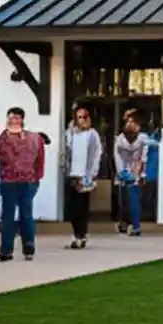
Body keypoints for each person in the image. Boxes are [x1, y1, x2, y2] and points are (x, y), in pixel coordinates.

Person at [0, 107, 45, 262]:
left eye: (16, 118)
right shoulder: (3, 138)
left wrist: (37, 178)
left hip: (27, 180)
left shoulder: (34, 138)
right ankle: (7, 250)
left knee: (25, 214)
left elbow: (40, 159)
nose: (13, 121)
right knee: (9, 216)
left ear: (22, 120)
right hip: (9, 181)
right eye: (10, 118)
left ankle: (28, 248)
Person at [63, 104, 102, 250]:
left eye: (84, 117)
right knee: (72, 208)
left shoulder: (93, 134)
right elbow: (66, 151)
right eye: (79, 117)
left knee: (81, 207)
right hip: (72, 173)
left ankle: (81, 234)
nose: (82, 120)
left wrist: (92, 174)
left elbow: (97, 154)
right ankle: (75, 233)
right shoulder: (70, 133)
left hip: (85, 175)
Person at [113, 109, 150, 237]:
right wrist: (121, 173)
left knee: (134, 199)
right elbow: (117, 157)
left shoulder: (142, 138)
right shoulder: (120, 139)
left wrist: (142, 174)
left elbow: (144, 157)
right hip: (124, 173)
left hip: (135, 172)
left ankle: (135, 226)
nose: (130, 124)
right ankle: (124, 223)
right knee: (123, 200)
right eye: (128, 121)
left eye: (133, 122)